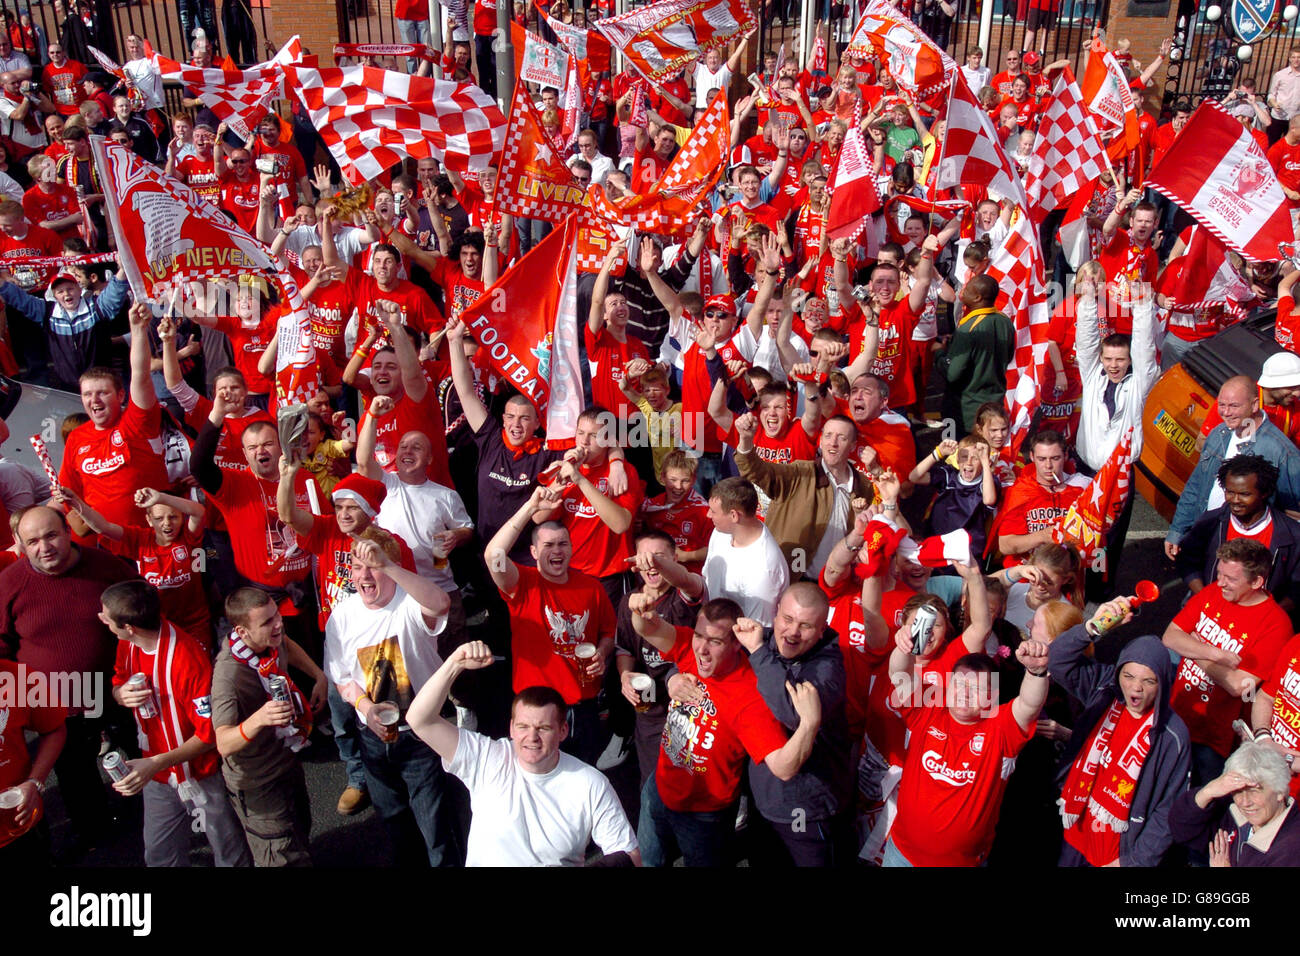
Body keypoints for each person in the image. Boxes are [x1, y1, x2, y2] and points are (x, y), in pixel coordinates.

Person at [628, 594, 822, 866]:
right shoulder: (688, 646)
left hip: (703, 814)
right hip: (658, 788)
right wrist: (639, 609)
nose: (702, 650)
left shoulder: (750, 696)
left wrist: (809, 726)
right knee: (648, 862)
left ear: (735, 645)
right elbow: (646, 628)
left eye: (715, 642)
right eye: (699, 636)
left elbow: (783, 767)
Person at [405, 643, 639, 866]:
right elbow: (420, 720)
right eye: (523, 727)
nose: (532, 737)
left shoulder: (590, 784)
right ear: (511, 728)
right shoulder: (486, 758)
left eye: (543, 728)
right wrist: (455, 663)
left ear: (562, 731)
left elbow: (629, 855)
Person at [0, 505, 135, 854]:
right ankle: (94, 833)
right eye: (32, 541)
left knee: (138, 753)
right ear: (20, 544)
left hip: (116, 688)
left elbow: (142, 614)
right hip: (59, 702)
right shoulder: (9, 584)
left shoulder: (107, 567)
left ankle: (153, 814)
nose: (44, 547)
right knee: (76, 776)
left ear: (67, 532)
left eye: (51, 535)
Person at [324, 533, 461, 866]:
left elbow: (440, 604)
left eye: (374, 567)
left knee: (436, 827)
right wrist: (366, 708)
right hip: (375, 735)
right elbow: (342, 679)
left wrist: (388, 565)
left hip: (422, 733)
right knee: (395, 823)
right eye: (358, 567)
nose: (364, 576)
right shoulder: (342, 617)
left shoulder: (410, 601)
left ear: (392, 567)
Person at [102, 580, 251, 867]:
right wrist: (120, 694)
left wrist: (156, 763)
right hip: (156, 774)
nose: (101, 619)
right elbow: (119, 677)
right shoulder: (127, 644)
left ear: (130, 626)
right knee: (159, 855)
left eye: (106, 616)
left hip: (200, 774)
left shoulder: (187, 660)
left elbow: (209, 736)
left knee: (228, 851)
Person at [884, 634, 1050, 867]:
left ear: (992, 696)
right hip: (900, 854)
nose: (966, 693)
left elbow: (1030, 705)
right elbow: (899, 677)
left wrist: (1036, 672)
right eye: (959, 684)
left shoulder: (1000, 727)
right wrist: (903, 648)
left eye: (977, 688)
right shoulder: (929, 708)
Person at [1050, 598, 1193, 866]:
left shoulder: (1172, 735)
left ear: (1162, 682)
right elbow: (1057, 660)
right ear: (1117, 674)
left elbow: (1167, 810)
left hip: (1118, 853)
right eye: (1128, 676)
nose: (1136, 688)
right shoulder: (1104, 690)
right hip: (1075, 832)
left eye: (1148, 680)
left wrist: (1134, 862)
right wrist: (1095, 626)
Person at [484, 486, 617, 765]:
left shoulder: (592, 587)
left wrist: (602, 654)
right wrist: (531, 507)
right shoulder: (522, 583)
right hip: (536, 710)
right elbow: (493, 554)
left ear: (571, 548)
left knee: (581, 779)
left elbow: (608, 632)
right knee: (536, 778)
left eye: (562, 544)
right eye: (548, 545)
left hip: (583, 707)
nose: (556, 551)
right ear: (533, 551)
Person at [733, 583, 852, 866]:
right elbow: (708, 647)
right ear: (775, 615)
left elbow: (792, 712)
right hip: (763, 803)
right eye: (787, 619)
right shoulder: (765, 638)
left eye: (805, 625)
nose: (792, 632)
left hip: (808, 811)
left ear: (822, 630)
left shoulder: (827, 669)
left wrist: (759, 653)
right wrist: (674, 676)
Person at [1163, 539, 1292, 791]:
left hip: (1214, 739)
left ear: (1256, 582)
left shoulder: (1275, 624)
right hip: (1177, 713)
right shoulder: (1214, 592)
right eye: (1219, 573)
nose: (1220, 582)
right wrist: (1215, 653)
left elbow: (1238, 685)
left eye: (1230, 578)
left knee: (1199, 800)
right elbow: (1170, 636)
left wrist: (1194, 650)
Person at [211, 587, 326, 867]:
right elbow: (223, 743)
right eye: (266, 622)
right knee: (280, 854)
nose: (278, 625)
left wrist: (317, 674)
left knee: (299, 832)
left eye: (276, 616)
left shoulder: (268, 641)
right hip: (257, 782)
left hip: (286, 759)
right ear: (242, 631)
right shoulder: (228, 677)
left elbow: (286, 643)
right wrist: (259, 719)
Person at [1166, 376, 1300, 556]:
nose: (1226, 412)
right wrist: (1177, 531)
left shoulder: (1281, 451)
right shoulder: (1218, 434)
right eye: (1222, 405)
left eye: (1234, 406)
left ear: (1254, 405)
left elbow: (1293, 513)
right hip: (1205, 537)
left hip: (1246, 552)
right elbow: (1195, 486)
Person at [734, 411, 873, 575]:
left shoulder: (863, 485)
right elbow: (755, 471)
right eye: (828, 436)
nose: (833, 443)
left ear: (853, 445)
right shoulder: (800, 472)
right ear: (820, 441)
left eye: (841, 438)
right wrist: (745, 440)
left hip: (834, 583)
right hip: (792, 579)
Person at [1176, 455, 1300, 619]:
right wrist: (1207, 597)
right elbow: (1187, 562)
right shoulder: (1209, 523)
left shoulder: (1292, 535)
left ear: (1265, 493)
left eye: (1244, 494)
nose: (1235, 500)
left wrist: (1266, 615)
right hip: (1209, 616)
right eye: (1230, 492)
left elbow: (1297, 588)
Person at [1170, 741, 1300, 865]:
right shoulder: (1234, 814)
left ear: (1280, 791)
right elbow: (1181, 829)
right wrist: (1207, 792)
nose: (1245, 802)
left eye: (1254, 791)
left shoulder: (1291, 849)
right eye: (1237, 791)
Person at [701, 476, 789, 628]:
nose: (708, 515)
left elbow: (757, 631)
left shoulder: (764, 568)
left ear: (734, 515)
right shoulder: (719, 533)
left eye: (713, 511)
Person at [992, 430, 1090, 565]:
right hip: (1025, 574)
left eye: (1055, 458)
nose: (1048, 466)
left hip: (1066, 572)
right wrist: (1042, 536)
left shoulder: (1082, 487)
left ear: (1065, 455)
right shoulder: (1021, 491)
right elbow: (1005, 545)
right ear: (1032, 457)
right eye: (1042, 459)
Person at [939, 275, 1015, 433]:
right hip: (995, 403)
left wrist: (940, 354)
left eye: (966, 289)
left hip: (965, 409)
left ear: (977, 297)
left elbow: (953, 373)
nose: (962, 292)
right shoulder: (1005, 321)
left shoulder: (968, 329)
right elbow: (1008, 357)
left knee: (958, 452)